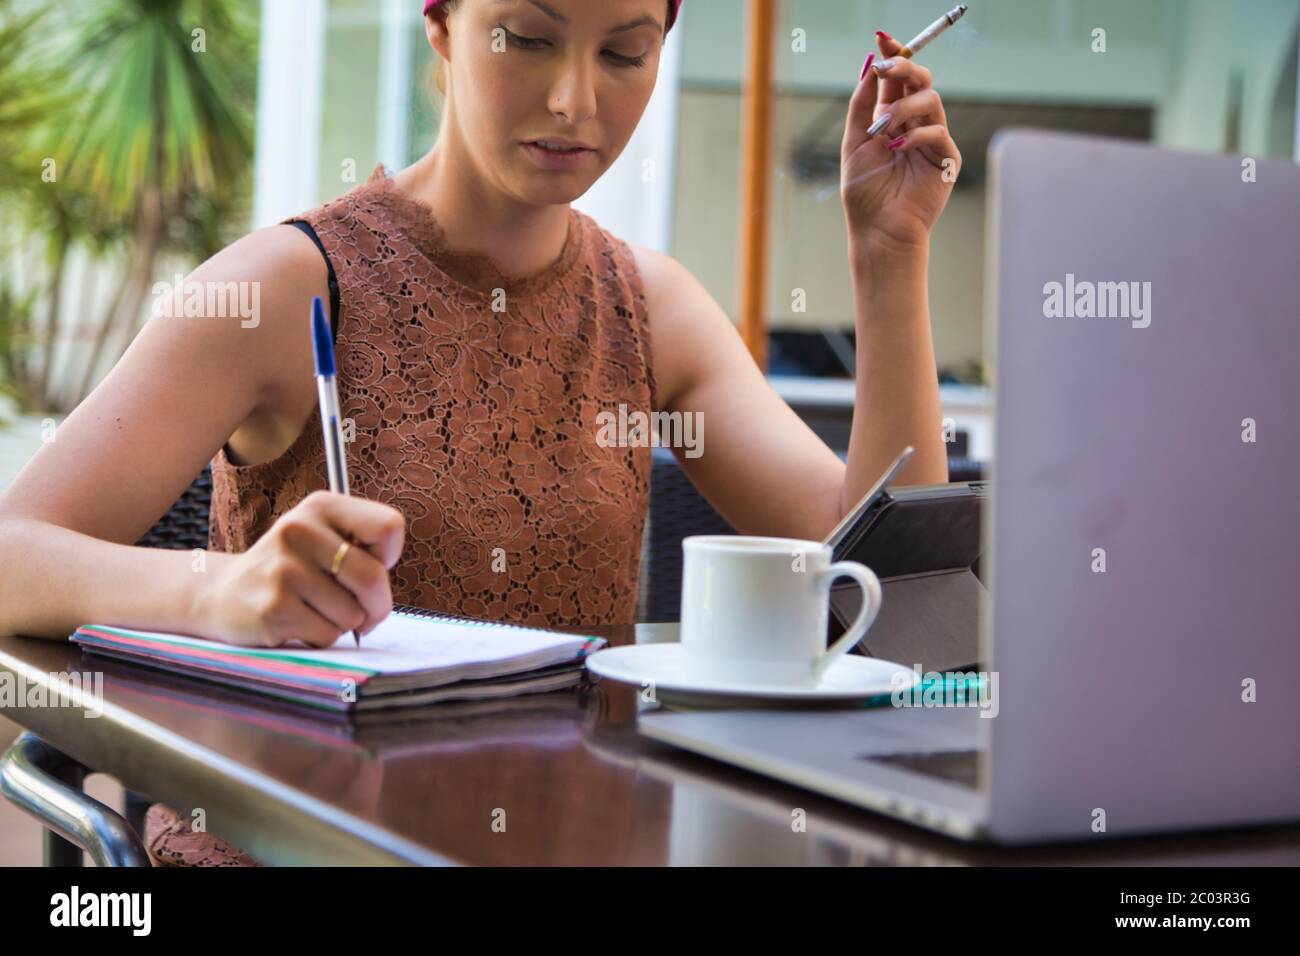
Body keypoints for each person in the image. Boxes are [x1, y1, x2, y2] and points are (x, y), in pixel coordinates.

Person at [0, 0, 956, 865]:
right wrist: (224, 593)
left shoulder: (650, 309)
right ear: (442, 24)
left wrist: (890, 254)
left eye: (627, 53)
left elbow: (888, 580)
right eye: (528, 40)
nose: (576, 100)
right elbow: (11, 554)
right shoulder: (289, 288)